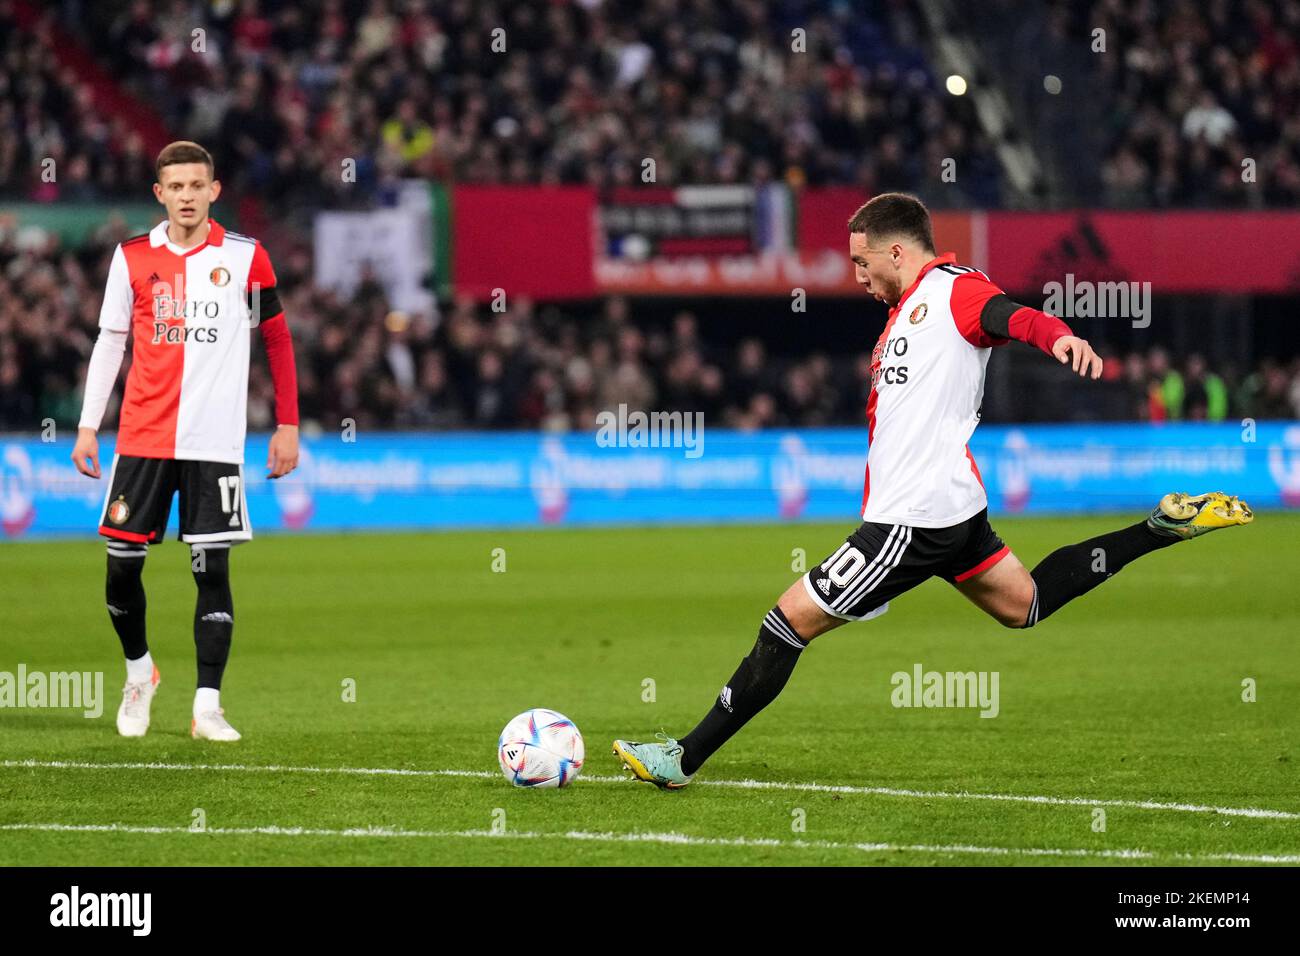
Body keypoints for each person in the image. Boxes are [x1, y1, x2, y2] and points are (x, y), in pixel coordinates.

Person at [612, 193, 1252, 788]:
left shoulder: (952, 291)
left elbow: (1013, 315)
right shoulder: (902, 315)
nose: (857, 275)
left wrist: (1060, 337)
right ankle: (1160, 527)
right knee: (1023, 603)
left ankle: (682, 758)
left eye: (862, 262)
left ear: (896, 250)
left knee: (785, 624)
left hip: (912, 520)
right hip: (948, 509)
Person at [71, 141, 300, 741]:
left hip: (214, 444)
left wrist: (288, 422)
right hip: (142, 438)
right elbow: (110, 343)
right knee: (121, 571)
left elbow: (277, 339)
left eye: (197, 186)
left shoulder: (246, 257)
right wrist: (88, 425)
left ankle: (207, 706)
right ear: (160, 194)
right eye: (176, 187)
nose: (187, 196)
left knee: (211, 570)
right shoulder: (133, 257)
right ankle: (139, 671)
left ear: (214, 190)